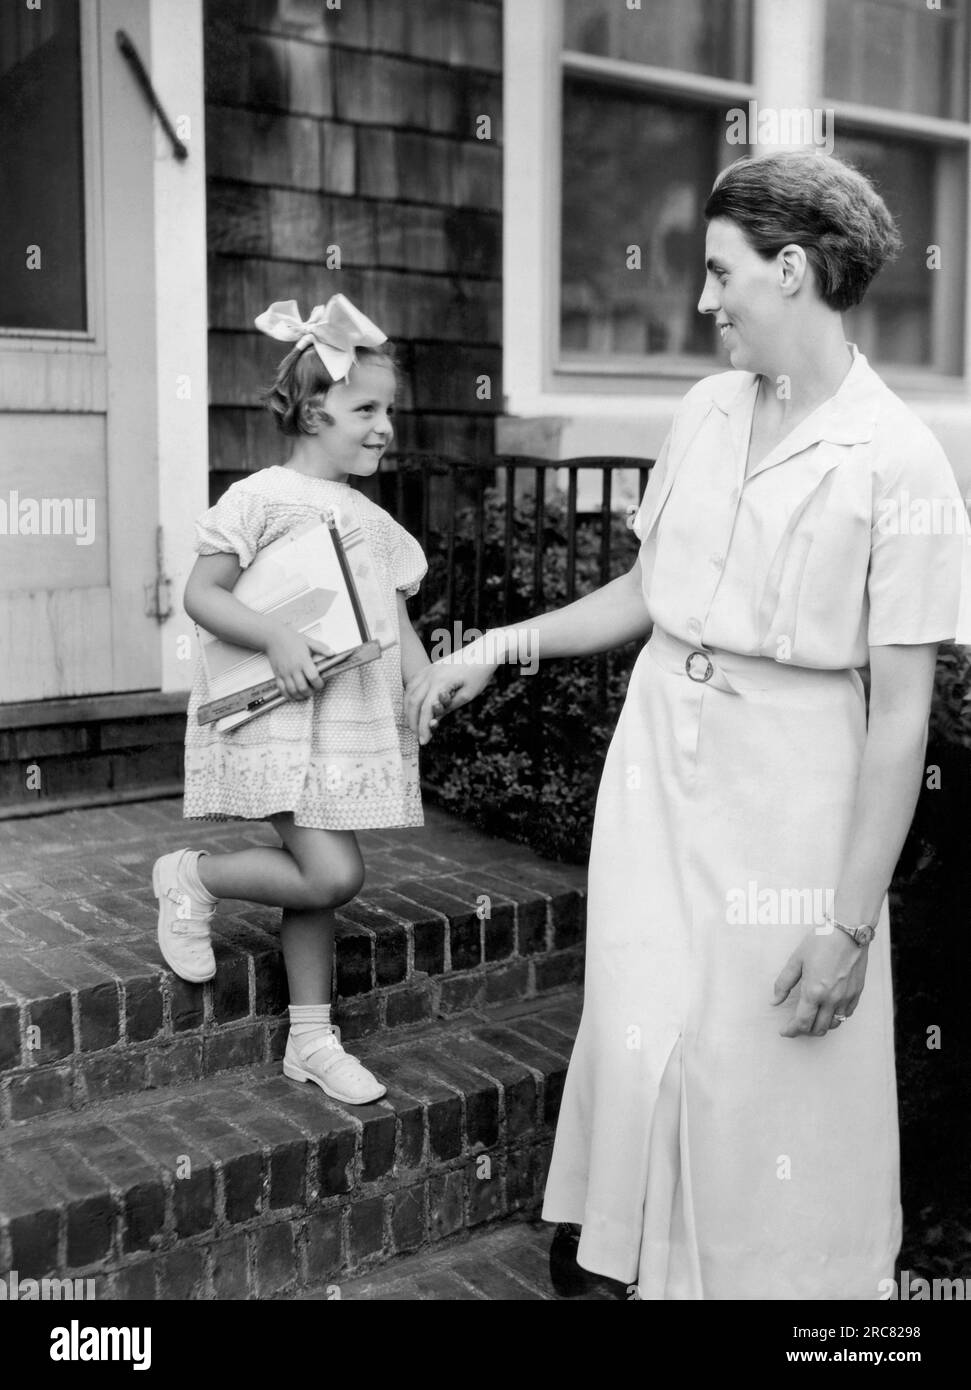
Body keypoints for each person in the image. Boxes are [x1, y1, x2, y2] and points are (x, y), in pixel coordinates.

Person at [405, 152, 971, 1299]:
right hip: (657, 767)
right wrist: (496, 647)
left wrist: (848, 926)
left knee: (757, 1061)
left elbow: (899, 715)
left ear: (793, 269)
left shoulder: (899, 459)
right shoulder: (707, 410)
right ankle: (619, 1255)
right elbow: (642, 594)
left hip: (790, 796)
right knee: (637, 1020)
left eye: (721, 273)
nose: (703, 299)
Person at [153, 295, 430, 1107]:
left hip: (341, 728)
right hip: (280, 716)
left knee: (316, 872)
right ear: (313, 412)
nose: (384, 426)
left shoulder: (375, 524)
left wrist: (424, 685)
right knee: (334, 870)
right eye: (365, 409)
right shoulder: (260, 498)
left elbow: (394, 619)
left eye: (389, 411)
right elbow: (202, 595)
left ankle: (310, 1038)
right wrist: (276, 637)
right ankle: (194, 877)